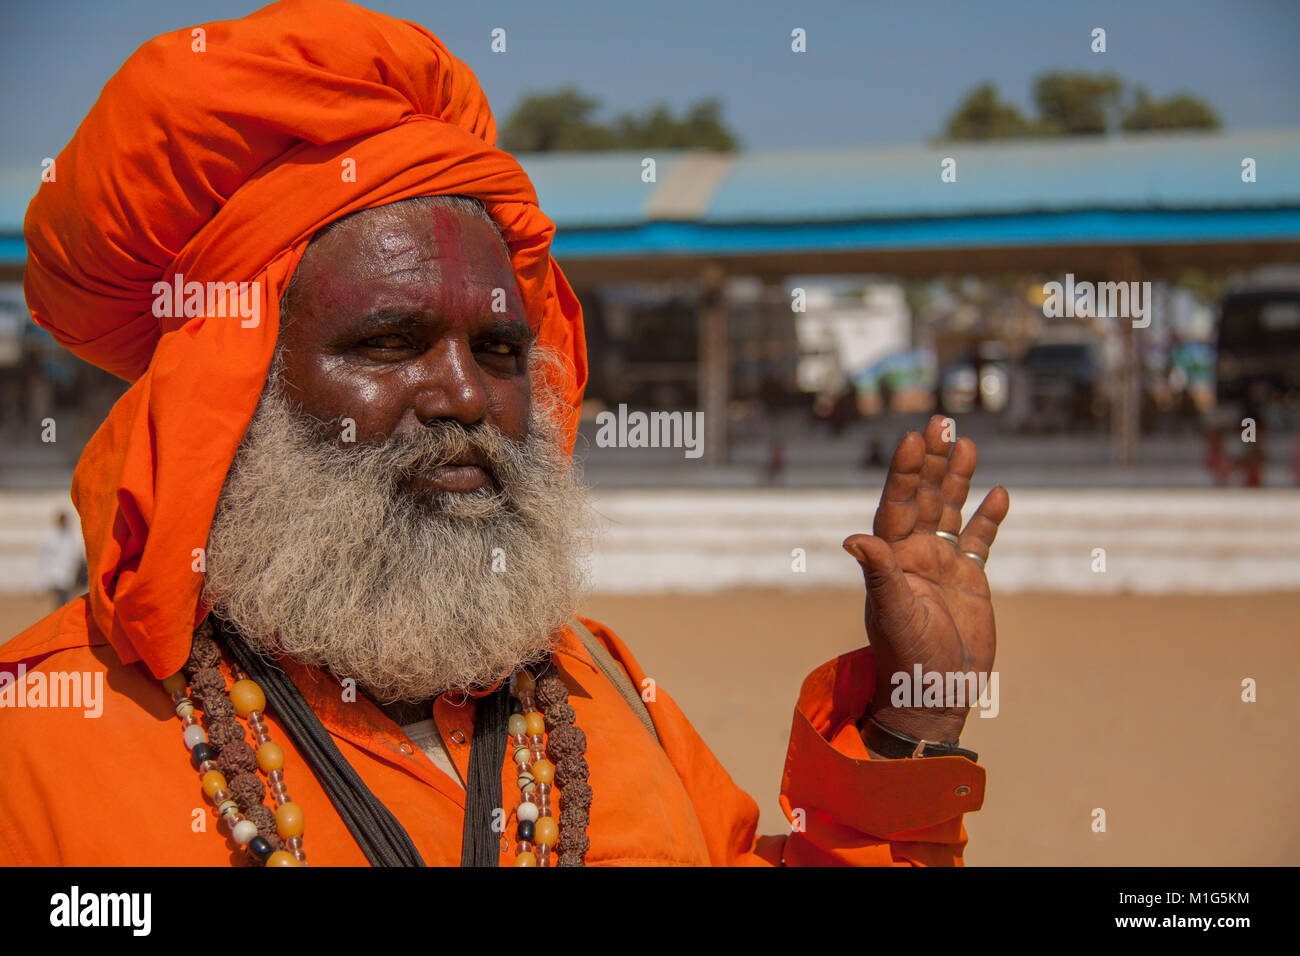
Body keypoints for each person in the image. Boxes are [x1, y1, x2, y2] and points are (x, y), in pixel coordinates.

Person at [0, 0, 1008, 867]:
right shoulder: (40, 746)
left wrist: (909, 719)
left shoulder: (593, 683)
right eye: (390, 341)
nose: (465, 395)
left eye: (496, 346)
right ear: (236, 387)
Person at [35, 512, 83, 608]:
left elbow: (76, 556)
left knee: (65, 601)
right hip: (56, 574)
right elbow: (45, 558)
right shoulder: (51, 536)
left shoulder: (73, 536)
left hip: (68, 574)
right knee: (62, 600)